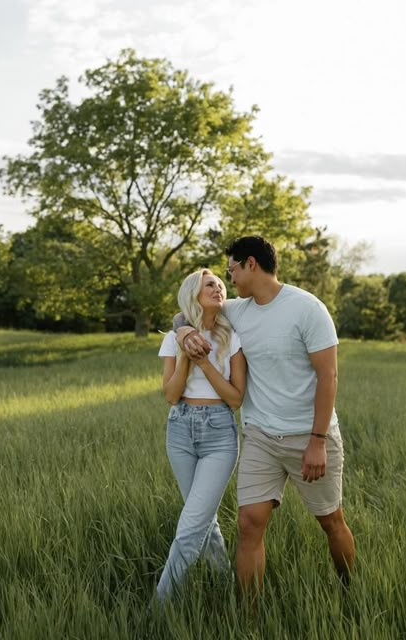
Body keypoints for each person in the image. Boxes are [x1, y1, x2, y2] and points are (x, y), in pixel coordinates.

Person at [176, 236, 355, 595]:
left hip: (309, 436)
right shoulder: (237, 310)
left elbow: (328, 376)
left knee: (330, 521)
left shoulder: (308, 308)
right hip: (260, 437)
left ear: (251, 264)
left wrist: (318, 441)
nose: (230, 280)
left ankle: (351, 588)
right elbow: (191, 308)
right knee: (249, 524)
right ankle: (249, 620)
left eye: (233, 270)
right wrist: (182, 329)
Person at [155, 268, 246, 602]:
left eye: (222, 284)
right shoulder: (173, 337)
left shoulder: (232, 338)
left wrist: (205, 362)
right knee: (204, 517)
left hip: (219, 434)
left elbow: (236, 399)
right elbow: (170, 394)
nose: (219, 288)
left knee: (191, 526)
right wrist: (185, 355)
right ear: (193, 292)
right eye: (211, 284)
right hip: (179, 428)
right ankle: (225, 583)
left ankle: (158, 609)